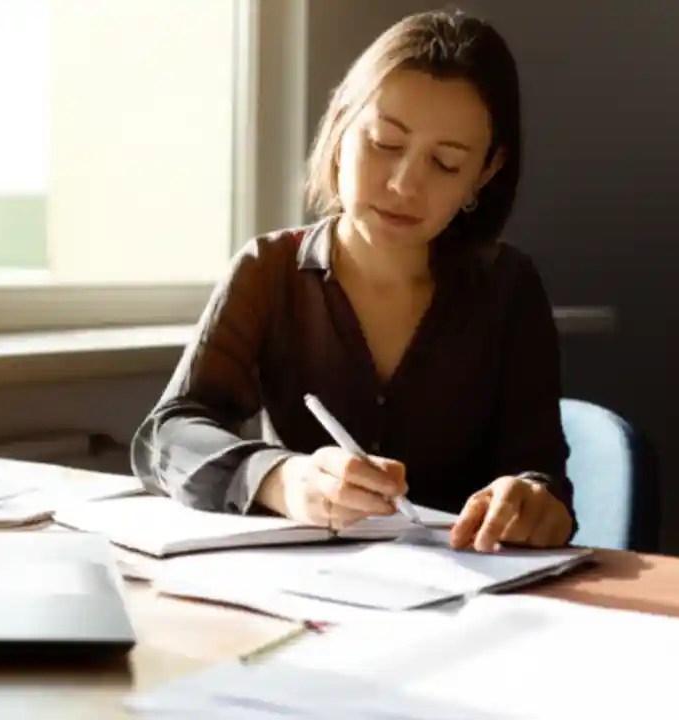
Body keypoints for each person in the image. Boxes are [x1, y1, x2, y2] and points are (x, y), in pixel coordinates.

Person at [130, 8, 575, 552]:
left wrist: (532, 500)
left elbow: (545, 482)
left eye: (446, 162)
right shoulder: (269, 271)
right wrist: (281, 479)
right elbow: (167, 435)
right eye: (385, 143)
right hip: (300, 587)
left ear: (485, 173)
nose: (405, 184)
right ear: (342, 126)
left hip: (471, 596)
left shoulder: (509, 288)